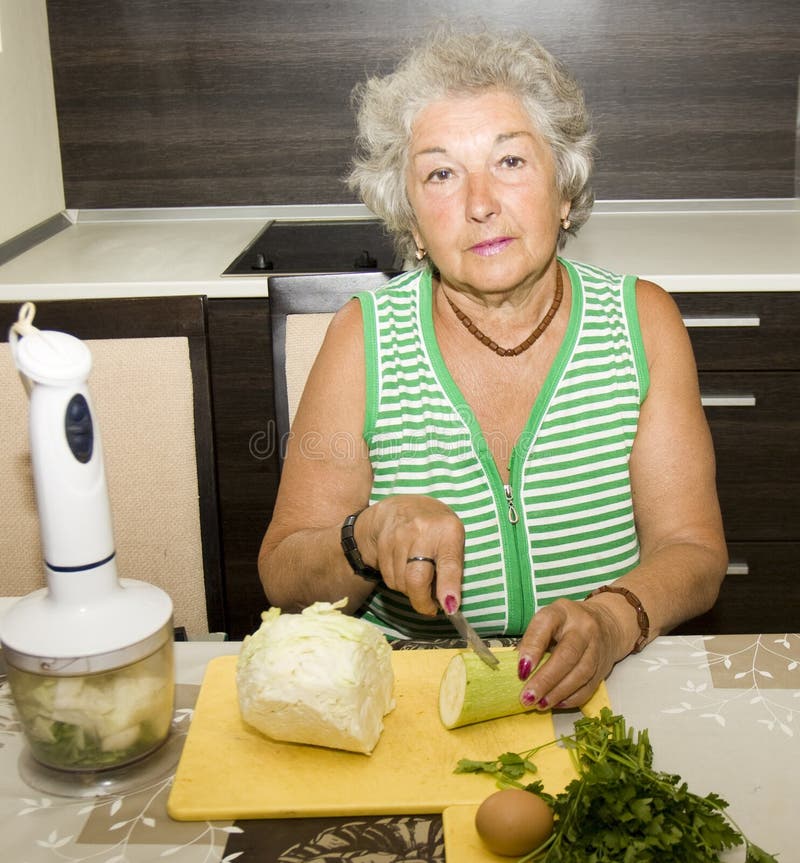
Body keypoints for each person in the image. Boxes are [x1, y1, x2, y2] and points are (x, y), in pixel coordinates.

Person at [258, 26, 728, 711]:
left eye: (510, 161)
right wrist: (365, 539)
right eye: (441, 174)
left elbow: (693, 549)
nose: (480, 204)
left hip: (612, 682)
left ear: (563, 191)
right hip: (414, 698)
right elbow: (283, 572)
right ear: (413, 224)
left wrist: (610, 619)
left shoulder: (643, 322)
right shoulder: (362, 338)